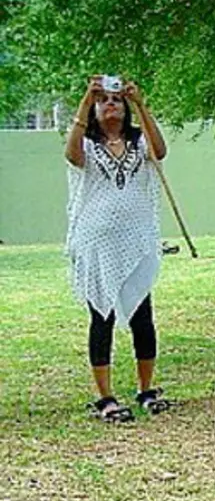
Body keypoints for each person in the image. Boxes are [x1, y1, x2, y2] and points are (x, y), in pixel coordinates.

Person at [64, 75, 171, 423]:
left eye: (116, 101)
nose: (111, 105)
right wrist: (85, 99)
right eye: (103, 101)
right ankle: (105, 397)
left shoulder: (138, 142)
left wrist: (140, 103)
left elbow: (160, 151)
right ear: (94, 110)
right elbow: (72, 154)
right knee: (102, 316)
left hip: (136, 241)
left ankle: (146, 389)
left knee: (143, 316)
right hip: (98, 246)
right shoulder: (89, 144)